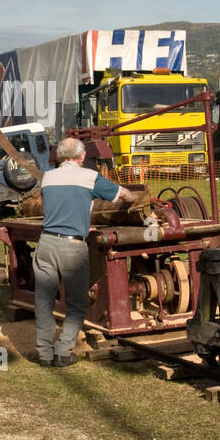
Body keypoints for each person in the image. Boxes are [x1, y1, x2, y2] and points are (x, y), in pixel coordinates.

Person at [33, 138, 137, 367]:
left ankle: (44, 353)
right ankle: (62, 351)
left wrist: (80, 221)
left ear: (59, 157)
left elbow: (64, 204)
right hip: (72, 246)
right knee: (77, 302)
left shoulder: (47, 178)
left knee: (43, 301)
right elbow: (122, 194)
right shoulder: (89, 177)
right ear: (81, 157)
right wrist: (136, 199)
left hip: (46, 243)